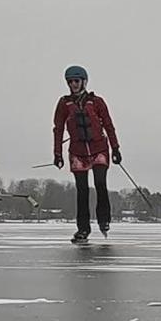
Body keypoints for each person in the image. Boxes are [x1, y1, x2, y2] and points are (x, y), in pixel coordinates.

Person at [53, 65, 121, 244]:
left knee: (100, 183)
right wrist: (57, 153)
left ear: (84, 81)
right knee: (82, 191)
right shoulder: (63, 104)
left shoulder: (97, 101)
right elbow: (58, 129)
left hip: (99, 149)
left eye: (76, 81)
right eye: (70, 82)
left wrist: (115, 148)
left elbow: (108, 125)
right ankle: (83, 229)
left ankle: (104, 220)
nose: (73, 84)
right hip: (77, 152)